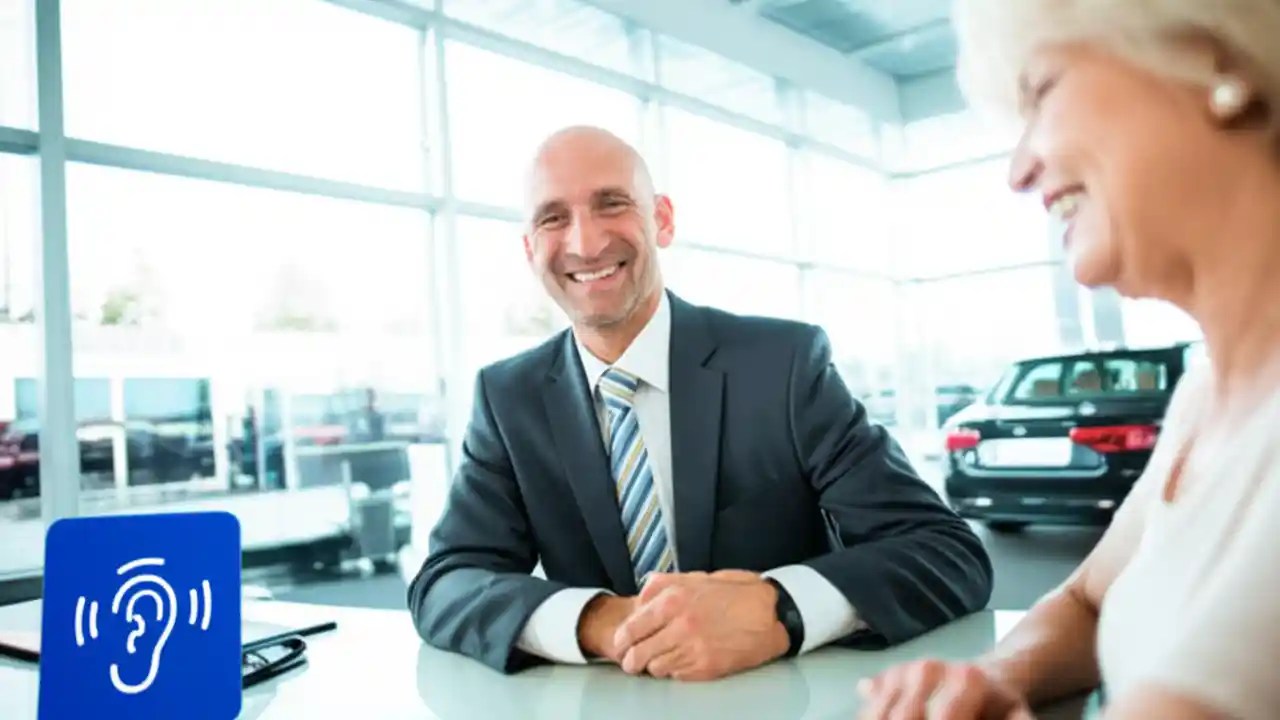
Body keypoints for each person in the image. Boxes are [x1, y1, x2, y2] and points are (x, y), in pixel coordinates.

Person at [408, 126, 992, 680]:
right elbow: (446, 581)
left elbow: (947, 554)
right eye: (554, 218)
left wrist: (776, 610)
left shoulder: (783, 365)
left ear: (661, 220)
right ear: (530, 247)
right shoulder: (509, 398)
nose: (585, 243)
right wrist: (601, 621)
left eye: (612, 204)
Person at [858, 1, 1280, 718]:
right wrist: (994, 678)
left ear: (1217, 57)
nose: (1020, 171)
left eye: (1043, 92)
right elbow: (1089, 600)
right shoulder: (1204, 400)